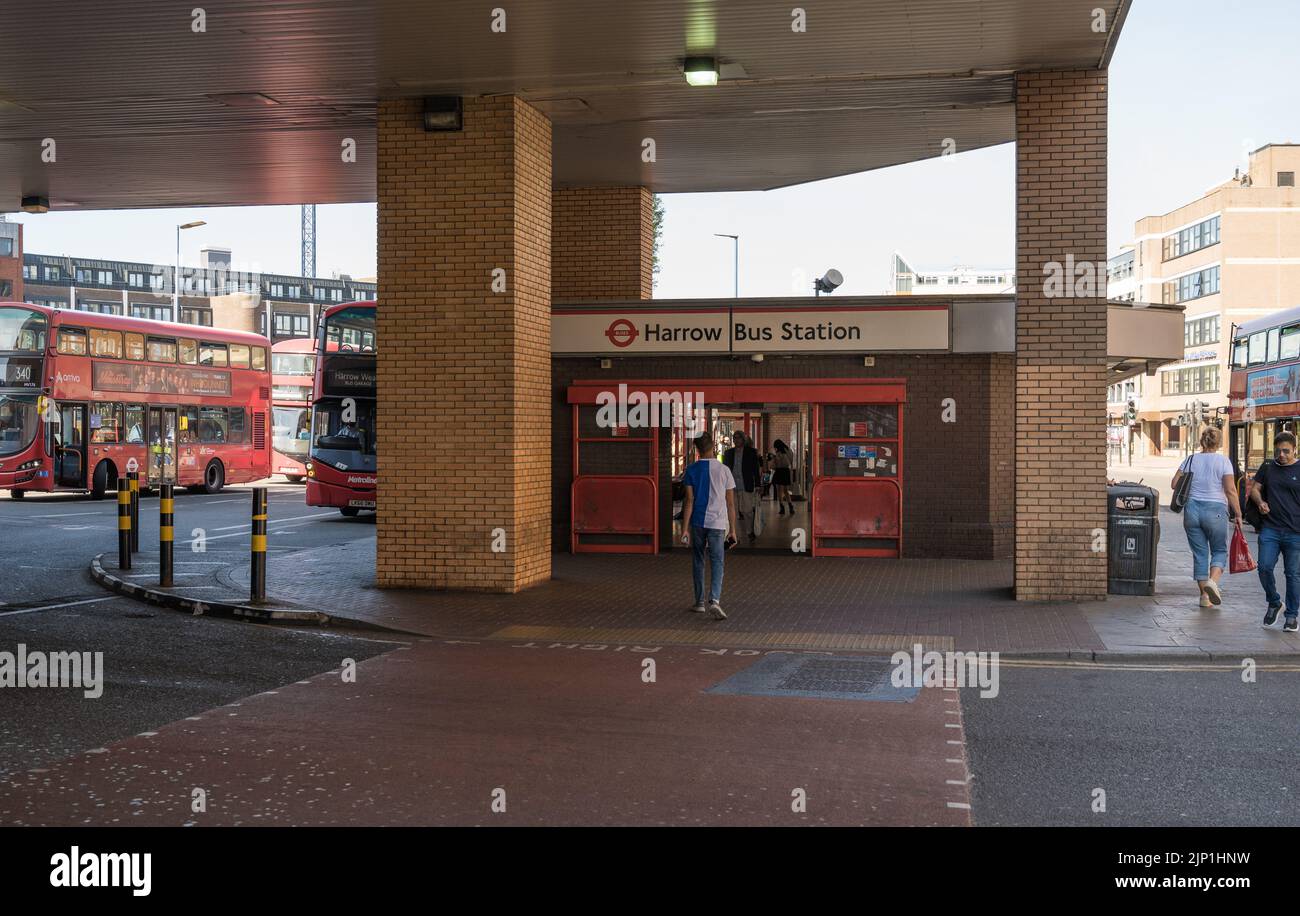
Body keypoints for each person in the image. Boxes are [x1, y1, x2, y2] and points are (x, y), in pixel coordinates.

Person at [1171, 426, 1242, 607]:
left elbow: (1174, 484)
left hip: (1192, 510)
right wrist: (1239, 514)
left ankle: (1204, 597)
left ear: (1202, 441)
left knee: (1200, 554)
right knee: (1219, 550)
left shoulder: (1190, 460)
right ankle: (1213, 582)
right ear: (1218, 442)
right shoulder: (1223, 461)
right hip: (1216, 510)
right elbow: (1230, 490)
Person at [680, 432, 738, 621]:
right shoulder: (724, 471)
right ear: (713, 446)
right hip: (718, 523)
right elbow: (730, 504)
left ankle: (699, 603)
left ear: (697, 449)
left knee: (698, 560)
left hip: (697, 522)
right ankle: (714, 600)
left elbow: (689, 501)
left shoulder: (691, 470)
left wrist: (684, 529)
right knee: (717, 561)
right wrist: (733, 530)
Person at [1249, 430, 1300, 631]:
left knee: (1293, 574)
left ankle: (1292, 616)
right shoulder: (1268, 467)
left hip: (1296, 532)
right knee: (1264, 568)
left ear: (1295, 449)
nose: (1281, 455)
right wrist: (1260, 502)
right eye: (1278, 451)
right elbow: (1254, 489)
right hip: (1270, 528)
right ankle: (1274, 602)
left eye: (1286, 451)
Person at [722, 431, 762, 543]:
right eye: (734, 438)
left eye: (739, 438)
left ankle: (749, 531)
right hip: (731, 486)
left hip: (746, 485)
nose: (736, 440)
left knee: (747, 510)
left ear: (743, 440)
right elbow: (725, 470)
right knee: (732, 510)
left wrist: (758, 484)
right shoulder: (728, 453)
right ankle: (735, 534)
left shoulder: (751, 452)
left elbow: (755, 469)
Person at [771, 439, 795, 516]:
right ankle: (790, 506)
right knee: (786, 490)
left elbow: (776, 464)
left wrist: (774, 458)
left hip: (779, 471)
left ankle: (782, 507)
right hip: (786, 471)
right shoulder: (789, 451)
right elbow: (790, 462)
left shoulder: (778, 453)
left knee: (779, 491)